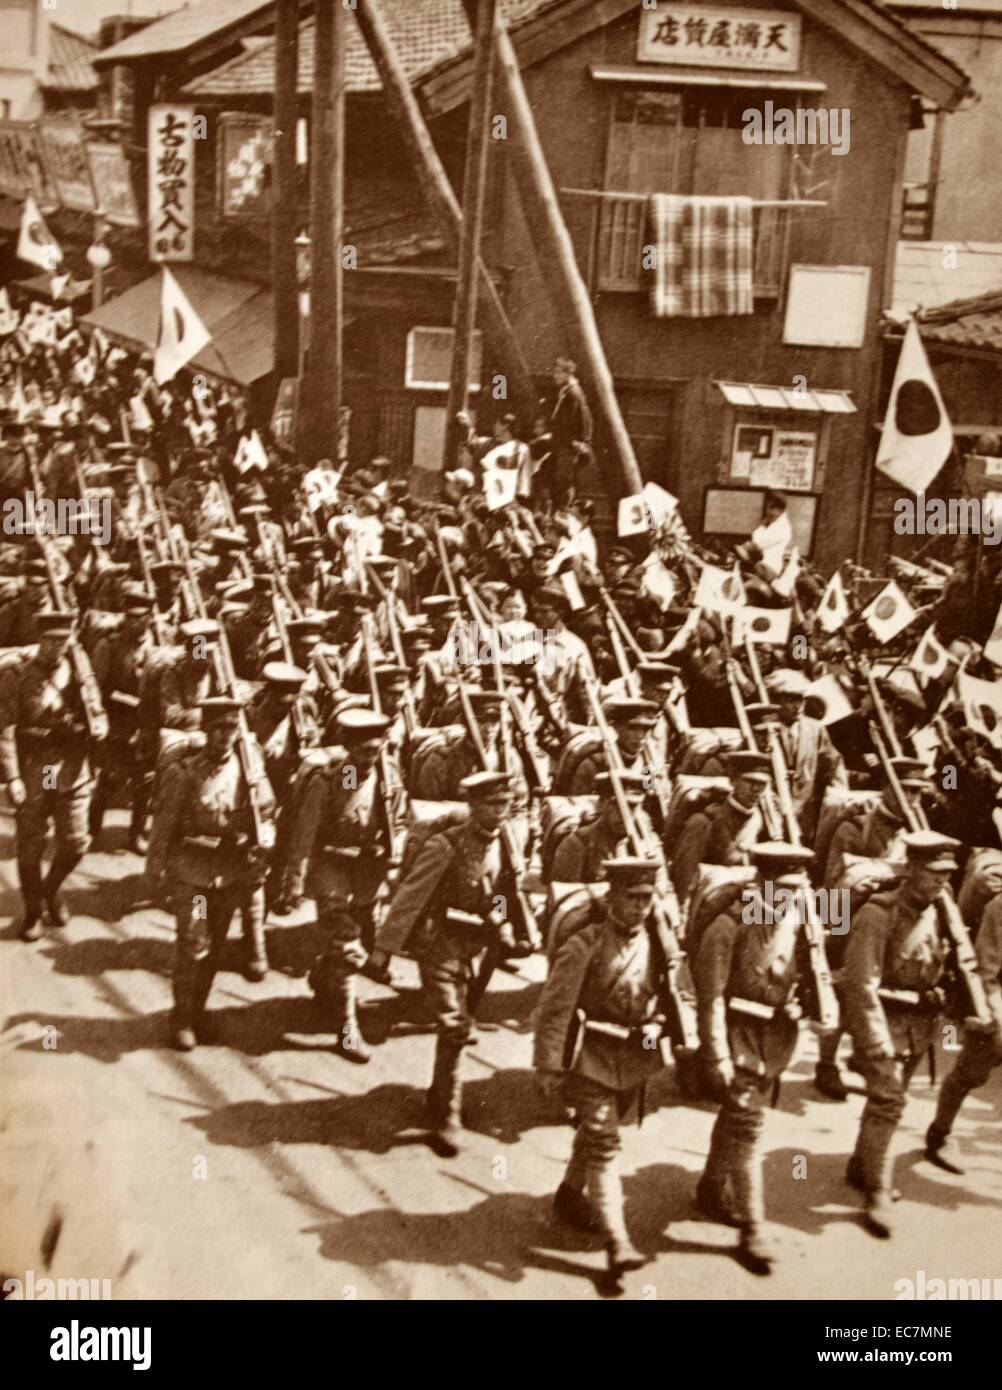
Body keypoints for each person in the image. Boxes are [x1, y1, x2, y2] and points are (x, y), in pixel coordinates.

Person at [533, 857, 667, 1276]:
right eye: (632, 897)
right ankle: (618, 1242)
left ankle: (571, 1192)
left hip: (633, 1059)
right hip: (589, 1058)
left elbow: (667, 1001)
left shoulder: (660, 944)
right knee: (604, 1141)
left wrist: (655, 1033)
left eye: (647, 898)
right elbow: (554, 1010)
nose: (640, 907)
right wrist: (548, 1066)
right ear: (611, 896)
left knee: (598, 1134)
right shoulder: (584, 945)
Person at [692, 841, 816, 1272]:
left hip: (774, 1039)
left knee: (737, 1119)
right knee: (749, 1126)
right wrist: (716, 1056)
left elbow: (804, 970)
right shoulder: (727, 927)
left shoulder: (796, 918)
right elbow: (708, 998)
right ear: (758, 882)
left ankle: (710, 1186)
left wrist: (801, 1001)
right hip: (735, 1036)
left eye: (795, 888)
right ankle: (753, 1228)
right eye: (779, 889)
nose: (788, 897)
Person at [375, 772, 515, 1154]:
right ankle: (446, 1116)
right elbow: (410, 898)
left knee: (457, 1024)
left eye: (504, 805)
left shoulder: (504, 842)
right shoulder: (445, 845)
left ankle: (439, 1095)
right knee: (455, 1025)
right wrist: (384, 949)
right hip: (437, 944)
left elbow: (503, 891)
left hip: (475, 949)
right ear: (472, 806)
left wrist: (500, 920)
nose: (499, 813)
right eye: (491, 805)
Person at [840, 830, 960, 1238]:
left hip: (919, 1025)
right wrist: (872, 1044)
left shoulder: (941, 910)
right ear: (909, 870)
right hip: (883, 1022)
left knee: (886, 1102)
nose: (940, 882)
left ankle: (862, 1164)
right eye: (932, 874)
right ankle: (877, 1190)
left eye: (946, 875)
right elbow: (860, 984)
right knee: (889, 1101)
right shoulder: (878, 914)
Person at [146, 696, 276, 1050]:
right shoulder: (185, 772)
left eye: (231, 729)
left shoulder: (249, 769)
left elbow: (267, 810)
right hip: (195, 875)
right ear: (205, 729)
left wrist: (257, 834)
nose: (224, 736)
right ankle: (182, 1018)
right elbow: (164, 823)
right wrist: (155, 868)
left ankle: (197, 1010)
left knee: (215, 948)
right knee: (194, 945)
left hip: (230, 872)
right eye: (218, 729)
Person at [274, 707, 393, 1063]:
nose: (371, 758)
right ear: (349, 749)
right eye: (364, 752)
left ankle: (324, 978)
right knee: (347, 942)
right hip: (331, 868)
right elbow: (304, 835)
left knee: (365, 938)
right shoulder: (328, 781)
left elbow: (398, 818)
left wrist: (393, 849)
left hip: (368, 871)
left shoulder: (389, 777)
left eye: (376, 750)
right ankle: (346, 1031)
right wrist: (293, 882)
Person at [0, 610, 108, 940]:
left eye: (62, 641)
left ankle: (50, 889)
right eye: (50, 641)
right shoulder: (17, 673)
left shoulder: (79, 667)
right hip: (39, 767)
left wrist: (99, 724)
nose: (56, 648)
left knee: (76, 843)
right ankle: (33, 911)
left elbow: (96, 707)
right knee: (32, 843)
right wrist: (12, 777)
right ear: (39, 639)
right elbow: (4, 726)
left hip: (73, 766)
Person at [924, 880, 1002, 1172]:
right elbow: (986, 972)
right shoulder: (999, 907)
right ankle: (940, 1133)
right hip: (996, 1003)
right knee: (971, 1073)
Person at [670, 750, 771, 902]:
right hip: (706, 903)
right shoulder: (703, 822)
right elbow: (683, 879)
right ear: (733, 781)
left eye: (762, 784)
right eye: (749, 782)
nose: (755, 790)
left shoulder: (759, 819)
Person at [548, 357, 592, 506]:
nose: (555, 376)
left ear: (568, 373)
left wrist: (571, 443)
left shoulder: (573, 393)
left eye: (559, 373)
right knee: (562, 479)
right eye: (555, 372)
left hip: (567, 445)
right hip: (564, 444)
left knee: (565, 481)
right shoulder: (566, 390)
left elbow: (571, 422)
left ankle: (565, 508)